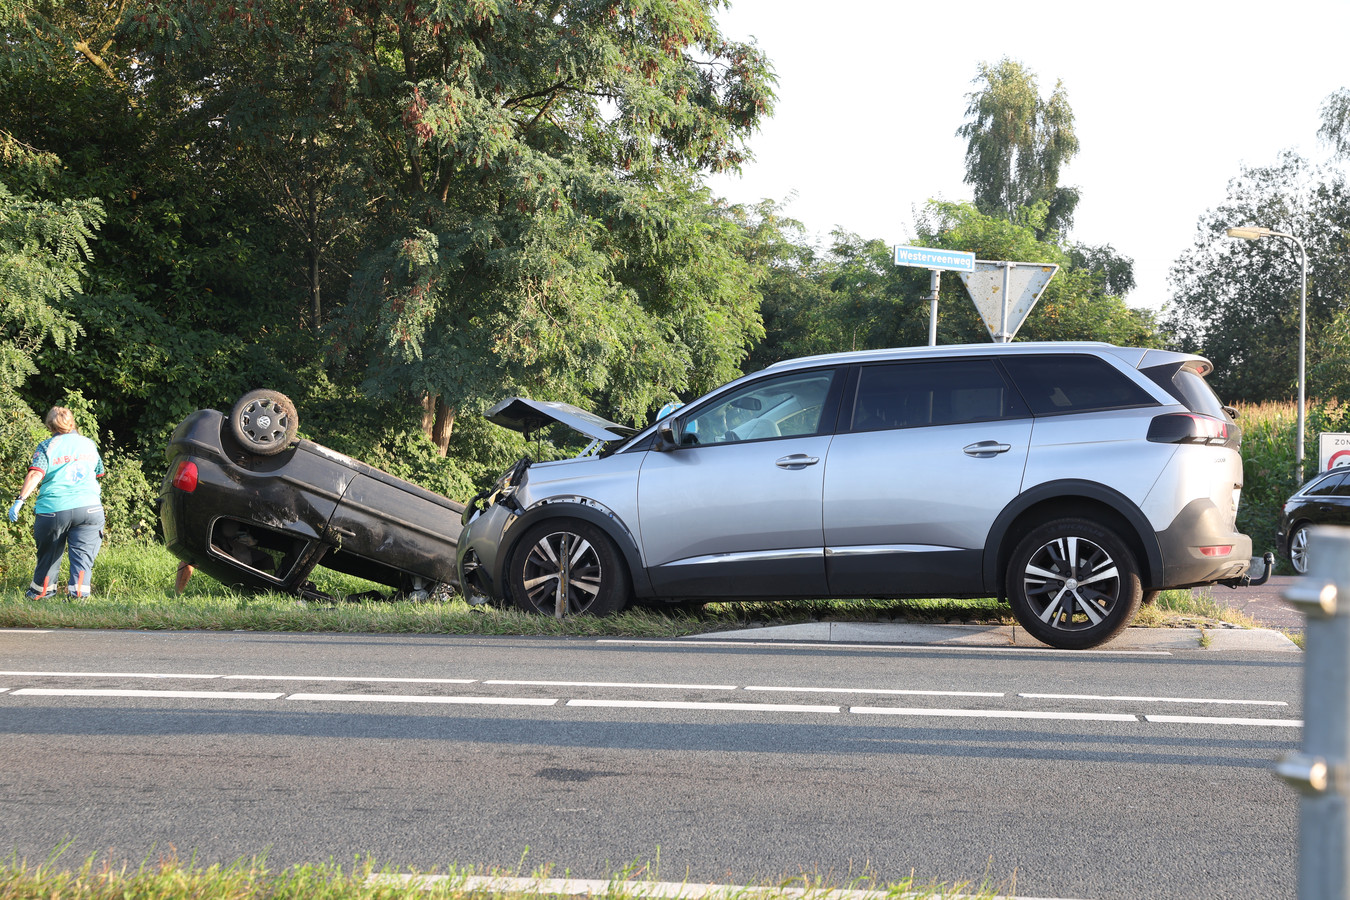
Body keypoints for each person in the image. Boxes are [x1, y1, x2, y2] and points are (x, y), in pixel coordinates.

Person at [7, 406, 106, 599]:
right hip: (90, 508)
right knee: (83, 556)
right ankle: (78, 595)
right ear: (72, 423)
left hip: (53, 510)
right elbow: (98, 472)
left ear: (50, 426)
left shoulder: (47, 446)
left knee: (49, 555)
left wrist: (20, 500)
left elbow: (36, 473)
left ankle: (41, 593)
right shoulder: (89, 444)